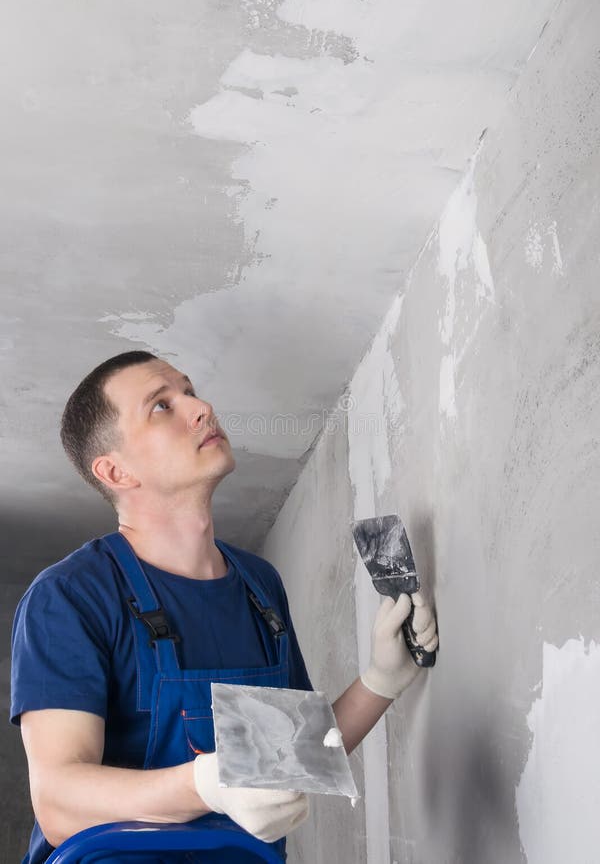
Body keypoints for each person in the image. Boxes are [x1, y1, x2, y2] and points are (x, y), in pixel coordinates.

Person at [10, 350, 439, 863]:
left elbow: (295, 755)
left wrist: (381, 681)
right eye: (161, 406)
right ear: (115, 471)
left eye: (189, 391)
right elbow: (60, 802)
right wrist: (206, 784)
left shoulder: (259, 587)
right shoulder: (70, 596)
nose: (201, 407)